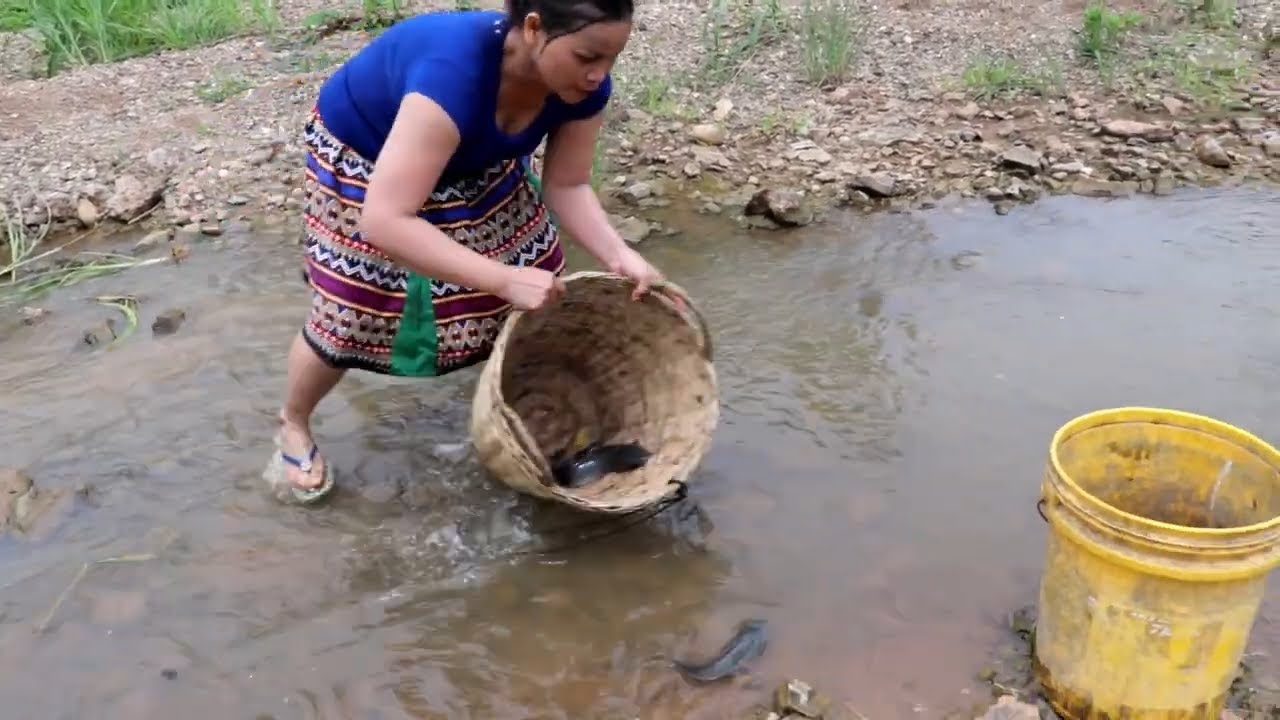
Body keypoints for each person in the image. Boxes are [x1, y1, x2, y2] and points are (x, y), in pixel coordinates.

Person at [265, 0, 666, 503]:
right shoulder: (452, 73)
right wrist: (498, 278)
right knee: (355, 311)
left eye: (611, 60)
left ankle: (514, 407)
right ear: (535, 28)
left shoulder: (579, 85)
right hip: (371, 161)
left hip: (476, 158)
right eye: (588, 57)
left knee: (540, 274)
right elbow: (385, 220)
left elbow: (567, 185)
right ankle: (293, 422)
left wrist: (618, 254)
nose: (598, 76)